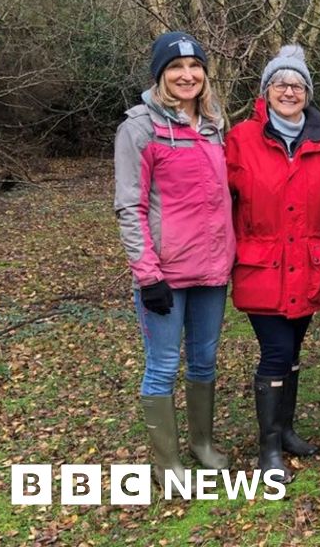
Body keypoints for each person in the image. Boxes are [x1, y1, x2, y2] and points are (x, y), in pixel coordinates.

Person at [114, 32, 234, 489]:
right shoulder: (139, 127)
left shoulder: (212, 124)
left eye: (195, 67)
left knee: (204, 361)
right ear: (160, 75)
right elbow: (130, 207)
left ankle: (202, 445)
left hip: (211, 272)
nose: (187, 75)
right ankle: (167, 465)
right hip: (164, 275)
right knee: (163, 365)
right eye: (176, 68)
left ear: (204, 73)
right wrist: (148, 275)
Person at [226, 45, 320, 484]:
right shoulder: (241, 140)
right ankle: (268, 448)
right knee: (275, 352)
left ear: (308, 93)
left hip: (310, 265)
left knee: (293, 352)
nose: (288, 90)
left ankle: (287, 430)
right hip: (262, 267)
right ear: (266, 91)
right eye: (280, 83)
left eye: (297, 84)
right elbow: (220, 203)